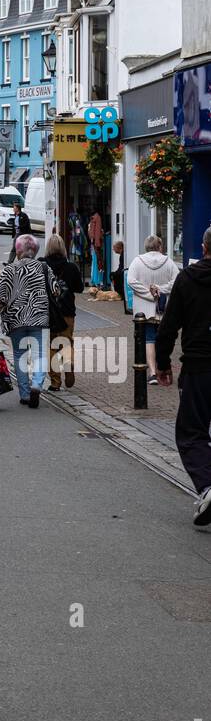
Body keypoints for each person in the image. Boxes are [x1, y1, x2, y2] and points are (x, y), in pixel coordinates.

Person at [155, 226, 211, 527]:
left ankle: (207, 484)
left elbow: (170, 324)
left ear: (204, 248)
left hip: (200, 366)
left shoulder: (188, 278)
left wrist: (162, 363)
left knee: (191, 432)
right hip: (199, 364)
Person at [0, 233, 60, 408]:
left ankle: (24, 394)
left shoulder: (9, 269)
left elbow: (0, 297)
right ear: (35, 250)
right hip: (39, 318)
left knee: (20, 356)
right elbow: (56, 291)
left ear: (18, 249)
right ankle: (37, 384)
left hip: (16, 319)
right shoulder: (44, 268)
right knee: (39, 355)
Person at [127, 236, 180, 386]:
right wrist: (160, 290)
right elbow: (177, 281)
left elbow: (131, 280)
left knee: (149, 338)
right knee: (162, 339)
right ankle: (161, 367)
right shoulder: (168, 262)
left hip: (143, 310)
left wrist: (148, 293)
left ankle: (152, 373)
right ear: (160, 247)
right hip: (163, 309)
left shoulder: (137, 261)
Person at [43, 233, 84, 391]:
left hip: (47, 312)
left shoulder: (41, 265)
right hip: (67, 311)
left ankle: (55, 382)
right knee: (66, 342)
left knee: (51, 346)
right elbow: (79, 288)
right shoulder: (71, 267)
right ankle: (69, 365)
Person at [111, 239, 126, 307]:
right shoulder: (122, 255)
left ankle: (120, 293)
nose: (113, 249)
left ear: (118, 247)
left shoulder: (123, 255)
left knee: (114, 276)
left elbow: (121, 267)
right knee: (113, 274)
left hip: (123, 272)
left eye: (114, 248)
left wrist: (115, 273)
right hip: (122, 271)